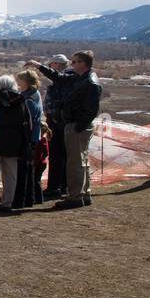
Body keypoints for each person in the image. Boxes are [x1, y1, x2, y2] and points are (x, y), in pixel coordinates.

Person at [28, 51, 102, 209]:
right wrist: (40, 66)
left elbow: (91, 110)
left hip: (77, 126)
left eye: (74, 62)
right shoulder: (80, 78)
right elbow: (59, 77)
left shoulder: (89, 82)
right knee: (81, 161)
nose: (71, 64)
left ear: (83, 64)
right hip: (75, 124)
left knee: (75, 163)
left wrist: (77, 126)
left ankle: (75, 197)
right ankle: (84, 193)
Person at [0, 75, 30, 214]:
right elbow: (26, 124)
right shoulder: (21, 101)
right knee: (10, 175)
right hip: (14, 143)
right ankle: (7, 203)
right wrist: (26, 143)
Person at [29, 54, 71, 199]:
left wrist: (55, 116)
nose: (51, 67)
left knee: (57, 155)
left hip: (58, 122)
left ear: (57, 64)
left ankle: (55, 187)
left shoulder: (63, 80)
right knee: (62, 155)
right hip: (57, 121)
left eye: (51, 64)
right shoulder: (66, 80)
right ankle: (62, 186)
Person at [12, 69, 44, 207]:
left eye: (20, 79)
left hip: (28, 137)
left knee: (24, 169)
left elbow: (27, 119)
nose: (18, 82)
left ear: (26, 81)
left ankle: (22, 199)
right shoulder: (33, 95)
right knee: (29, 169)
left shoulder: (29, 99)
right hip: (32, 137)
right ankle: (32, 197)